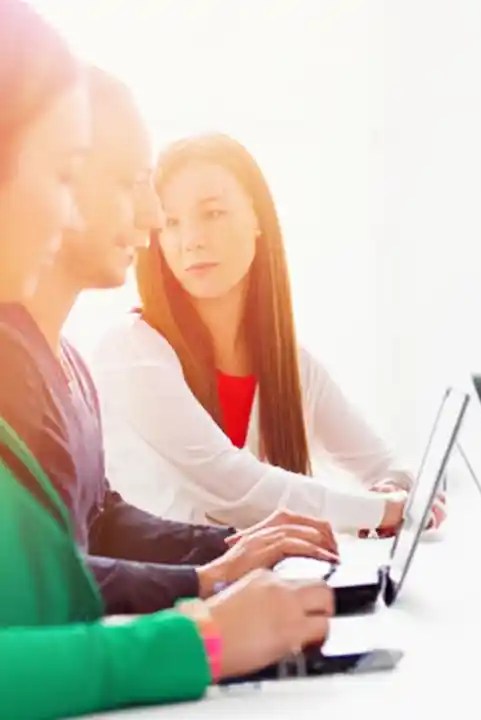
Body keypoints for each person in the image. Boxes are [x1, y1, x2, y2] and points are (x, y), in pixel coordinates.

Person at [0, 2, 332, 716]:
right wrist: (202, 629)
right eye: (66, 177)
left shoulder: (65, 363)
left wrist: (223, 557)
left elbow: (80, 548)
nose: (155, 222)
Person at [91, 131, 444, 535]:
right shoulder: (130, 351)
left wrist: (395, 492)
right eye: (171, 223)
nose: (191, 240)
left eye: (213, 213)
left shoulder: (289, 364)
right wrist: (382, 510)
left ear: (258, 219)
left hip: (267, 589)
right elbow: (236, 486)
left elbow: (387, 467)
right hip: (173, 597)